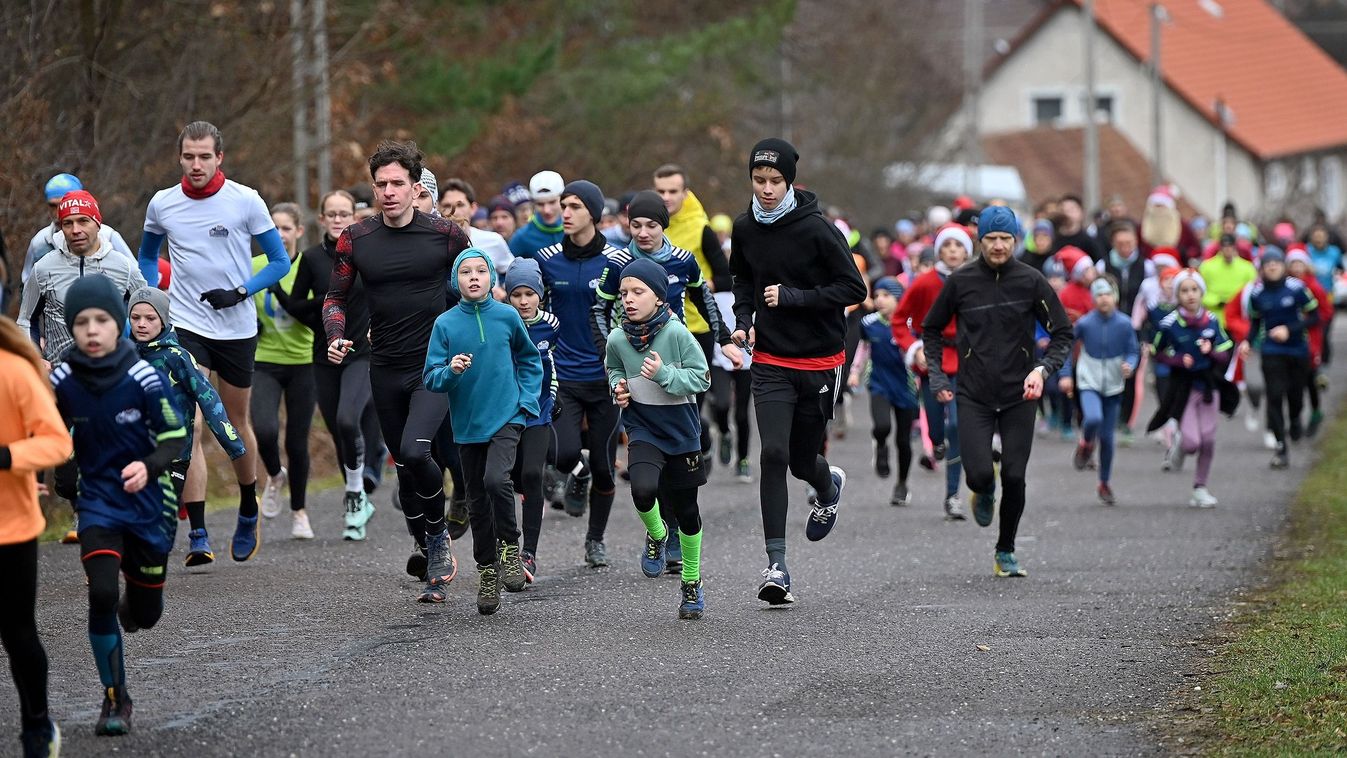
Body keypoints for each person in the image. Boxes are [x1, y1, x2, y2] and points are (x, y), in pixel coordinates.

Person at [136, 121, 291, 562]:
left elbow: (279, 261)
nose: (197, 164)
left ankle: (247, 503)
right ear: (179, 157)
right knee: (192, 423)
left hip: (237, 327)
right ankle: (198, 532)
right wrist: (155, 294)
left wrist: (241, 291)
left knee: (234, 421)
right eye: (189, 156)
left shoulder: (245, 200)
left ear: (220, 157)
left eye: (205, 156)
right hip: (185, 323)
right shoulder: (163, 203)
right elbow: (148, 254)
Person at [323, 140, 472, 596]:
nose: (388, 191)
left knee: (415, 450)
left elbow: (474, 291)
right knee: (406, 471)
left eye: (397, 184)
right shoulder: (356, 238)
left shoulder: (446, 235)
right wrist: (336, 336)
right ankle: (428, 544)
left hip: (433, 366)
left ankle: (439, 538)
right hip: (383, 365)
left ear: (414, 187)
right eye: (381, 184)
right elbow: (335, 297)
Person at [729, 138, 867, 604]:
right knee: (772, 452)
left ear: (789, 181)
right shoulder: (746, 228)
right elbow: (742, 280)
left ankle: (828, 487)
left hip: (820, 361)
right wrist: (744, 322)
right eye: (759, 180)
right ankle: (776, 566)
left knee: (802, 460)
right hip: (770, 360)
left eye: (775, 181)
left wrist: (795, 297)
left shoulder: (817, 230)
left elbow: (854, 287)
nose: (766, 189)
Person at [50, 275, 187, 737]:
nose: (92, 330)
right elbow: (47, 430)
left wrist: (149, 467)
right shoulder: (63, 376)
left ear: (117, 327)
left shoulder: (143, 374)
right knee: (102, 594)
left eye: (102, 320)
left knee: (144, 615)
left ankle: (137, 602)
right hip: (99, 501)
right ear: (73, 327)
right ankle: (115, 696)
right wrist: (55, 463)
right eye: (82, 321)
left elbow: (174, 436)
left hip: (148, 501)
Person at [921, 206, 1073, 578]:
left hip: (1020, 392)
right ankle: (983, 488)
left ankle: (1005, 549)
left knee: (1016, 477)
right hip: (973, 392)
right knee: (978, 476)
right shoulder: (961, 281)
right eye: (992, 239)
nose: (999, 246)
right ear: (980, 240)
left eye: (1006, 239)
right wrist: (939, 377)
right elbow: (932, 329)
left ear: (1016, 240)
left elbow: (1062, 333)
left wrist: (1043, 369)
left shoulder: (1031, 280)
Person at [592, 190, 739, 567]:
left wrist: (723, 337)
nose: (642, 232)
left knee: (680, 444)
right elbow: (600, 307)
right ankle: (661, 531)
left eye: (651, 225)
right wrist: (610, 350)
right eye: (635, 225)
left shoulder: (684, 260)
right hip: (632, 358)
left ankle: (675, 533)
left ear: (664, 226)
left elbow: (703, 299)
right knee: (646, 464)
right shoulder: (619, 261)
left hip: (678, 352)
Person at [424, 248, 543, 613]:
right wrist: (451, 371)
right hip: (467, 425)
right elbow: (431, 378)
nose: (473, 277)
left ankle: (510, 548)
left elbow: (529, 359)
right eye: (465, 272)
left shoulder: (507, 316)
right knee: (476, 501)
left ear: (492, 277)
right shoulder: (445, 324)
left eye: (480, 271)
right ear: (455, 281)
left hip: (507, 416)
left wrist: (525, 405)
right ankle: (487, 569)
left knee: (496, 480)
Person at [606, 258, 711, 619]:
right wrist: (617, 386)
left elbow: (702, 378)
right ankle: (656, 534)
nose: (630, 300)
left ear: (659, 296)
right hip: (642, 426)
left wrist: (665, 374)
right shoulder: (617, 337)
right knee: (642, 489)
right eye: (624, 293)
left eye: (638, 292)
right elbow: (614, 367)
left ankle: (691, 582)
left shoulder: (678, 334)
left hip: (681, 431)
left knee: (687, 511)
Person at [537, 179, 628, 567]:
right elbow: (534, 309)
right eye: (563, 206)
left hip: (606, 375)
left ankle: (595, 540)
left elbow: (628, 311)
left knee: (607, 468)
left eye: (574, 206)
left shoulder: (618, 259)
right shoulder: (546, 258)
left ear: (593, 212)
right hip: (564, 373)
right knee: (562, 452)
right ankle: (578, 470)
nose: (565, 213)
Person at [283, 190, 382, 533]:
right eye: (332, 214)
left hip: (362, 353)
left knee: (347, 419)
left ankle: (354, 493)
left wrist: (377, 328)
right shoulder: (311, 259)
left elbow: (385, 296)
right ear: (321, 219)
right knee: (340, 432)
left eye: (344, 213)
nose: (338, 219)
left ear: (355, 217)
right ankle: (358, 500)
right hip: (324, 355)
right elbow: (296, 306)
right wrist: (325, 315)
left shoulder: (368, 254)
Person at [128, 287, 247, 566]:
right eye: (135, 317)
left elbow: (209, 399)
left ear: (164, 321)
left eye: (150, 318)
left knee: (162, 516)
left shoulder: (178, 357)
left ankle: (154, 560)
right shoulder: (124, 358)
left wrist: (231, 442)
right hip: (136, 451)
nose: (142, 324)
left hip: (174, 455)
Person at [0, 315, 73, 758]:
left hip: (11, 527)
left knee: (16, 631)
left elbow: (56, 442)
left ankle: (37, 725)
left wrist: (7, 455)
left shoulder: (13, 369)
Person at [653, 165, 736, 468]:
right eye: (660, 191)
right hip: (656, 327)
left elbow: (727, 278)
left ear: (685, 194)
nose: (666, 197)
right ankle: (673, 453)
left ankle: (696, 450)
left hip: (696, 327)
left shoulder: (701, 228)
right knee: (663, 396)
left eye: (673, 191)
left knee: (691, 398)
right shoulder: (650, 226)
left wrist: (695, 284)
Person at [248, 203, 319, 538]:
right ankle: (275, 474)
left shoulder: (309, 265)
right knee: (263, 428)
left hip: (304, 362)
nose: (279, 234)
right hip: (265, 360)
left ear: (299, 232)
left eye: (286, 228)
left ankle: (299, 512)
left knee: (297, 441)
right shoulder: (255, 266)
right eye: (273, 228)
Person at [892, 225, 971, 519]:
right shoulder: (925, 283)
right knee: (938, 426)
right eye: (946, 245)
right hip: (933, 360)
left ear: (967, 251)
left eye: (958, 245)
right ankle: (936, 443)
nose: (952, 250)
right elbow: (900, 319)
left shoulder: (974, 281)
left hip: (966, 360)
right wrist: (914, 348)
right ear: (938, 251)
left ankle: (953, 496)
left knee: (957, 426)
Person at [18, 190, 147, 367]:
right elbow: (25, 319)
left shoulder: (124, 267)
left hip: (113, 372)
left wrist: (139, 360)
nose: (75, 230)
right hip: (59, 374)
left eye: (83, 221)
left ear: (97, 223)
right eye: (68, 223)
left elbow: (150, 315)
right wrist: (35, 359)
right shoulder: (43, 268)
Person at [1150, 270, 1235, 506]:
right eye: (1184, 290)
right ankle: (1178, 447)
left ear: (1201, 292)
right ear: (1177, 295)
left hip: (1208, 387)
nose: (1190, 295)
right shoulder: (1169, 324)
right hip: (1184, 389)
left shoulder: (1212, 321)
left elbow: (1226, 352)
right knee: (1191, 443)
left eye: (1194, 289)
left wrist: (1212, 353)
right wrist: (1178, 360)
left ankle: (1200, 487)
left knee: (1207, 440)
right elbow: (1157, 353)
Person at [1059, 277, 1139, 505]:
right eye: (1098, 295)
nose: (1103, 299)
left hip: (1113, 384)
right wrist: (1065, 376)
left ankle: (1104, 482)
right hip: (1089, 379)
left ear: (1114, 296)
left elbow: (1133, 351)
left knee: (1107, 438)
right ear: (1093, 299)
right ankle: (1085, 444)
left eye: (1107, 294)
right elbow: (1066, 347)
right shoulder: (1085, 323)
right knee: (1092, 418)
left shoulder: (1124, 324)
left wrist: (1130, 365)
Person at [503, 258, 559, 582]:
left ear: (540, 294)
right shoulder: (501, 321)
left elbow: (552, 364)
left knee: (533, 473)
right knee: (509, 478)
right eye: (516, 295)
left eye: (529, 294)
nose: (523, 301)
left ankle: (529, 553)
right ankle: (505, 546)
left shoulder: (550, 323)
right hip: (506, 411)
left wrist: (553, 397)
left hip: (538, 409)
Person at [1240, 248, 1318, 469]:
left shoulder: (1297, 288)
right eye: (1268, 263)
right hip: (1271, 351)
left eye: (1276, 263)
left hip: (1296, 350)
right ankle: (1281, 449)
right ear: (1262, 268)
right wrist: (1247, 341)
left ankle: (1294, 420)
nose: (1272, 266)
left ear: (1283, 266)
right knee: (1274, 396)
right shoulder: (1256, 294)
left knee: (1295, 396)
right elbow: (1255, 323)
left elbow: (1314, 316)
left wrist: (1290, 329)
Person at [850, 277, 919, 506]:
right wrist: (854, 372)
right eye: (877, 295)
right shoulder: (869, 323)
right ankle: (880, 446)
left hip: (906, 386)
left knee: (903, 440)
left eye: (886, 295)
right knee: (882, 426)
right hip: (878, 382)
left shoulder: (910, 326)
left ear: (899, 299)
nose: (879, 300)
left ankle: (902, 484)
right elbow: (863, 348)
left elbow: (920, 353)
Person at [21, 173, 135, 287]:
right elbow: (27, 284)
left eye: (62, 205)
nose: (57, 212)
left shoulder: (108, 236)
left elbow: (133, 274)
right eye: (52, 206)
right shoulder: (39, 242)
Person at [1285, 248, 1333, 437]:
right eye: (1293, 264)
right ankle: (1295, 418)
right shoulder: (1285, 285)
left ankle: (1315, 411)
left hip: (1310, 337)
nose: (1297, 268)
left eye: (1300, 264)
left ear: (1306, 266)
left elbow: (1326, 311)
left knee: (1309, 377)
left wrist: (1311, 321)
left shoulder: (1314, 286)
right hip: (1290, 338)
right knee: (1292, 381)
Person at [439, 178, 514, 276]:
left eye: (460, 205)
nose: (455, 212)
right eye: (447, 206)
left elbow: (514, 273)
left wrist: (503, 289)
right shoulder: (431, 244)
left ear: (473, 208)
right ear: (438, 208)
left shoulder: (494, 241)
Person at [1199, 233, 1257, 327]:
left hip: (1239, 318)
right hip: (1213, 316)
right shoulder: (1206, 267)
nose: (1227, 249)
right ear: (1220, 247)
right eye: (1224, 246)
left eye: (1230, 246)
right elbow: (1200, 292)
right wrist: (1216, 301)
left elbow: (1253, 292)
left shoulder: (1248, 268)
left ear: (1235, 247)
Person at [509, 170, 566, 259]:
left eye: (552, 202)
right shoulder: (522, 237)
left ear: (562, 199)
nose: (546, 210)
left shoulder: (576, 230)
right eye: (540, 204)